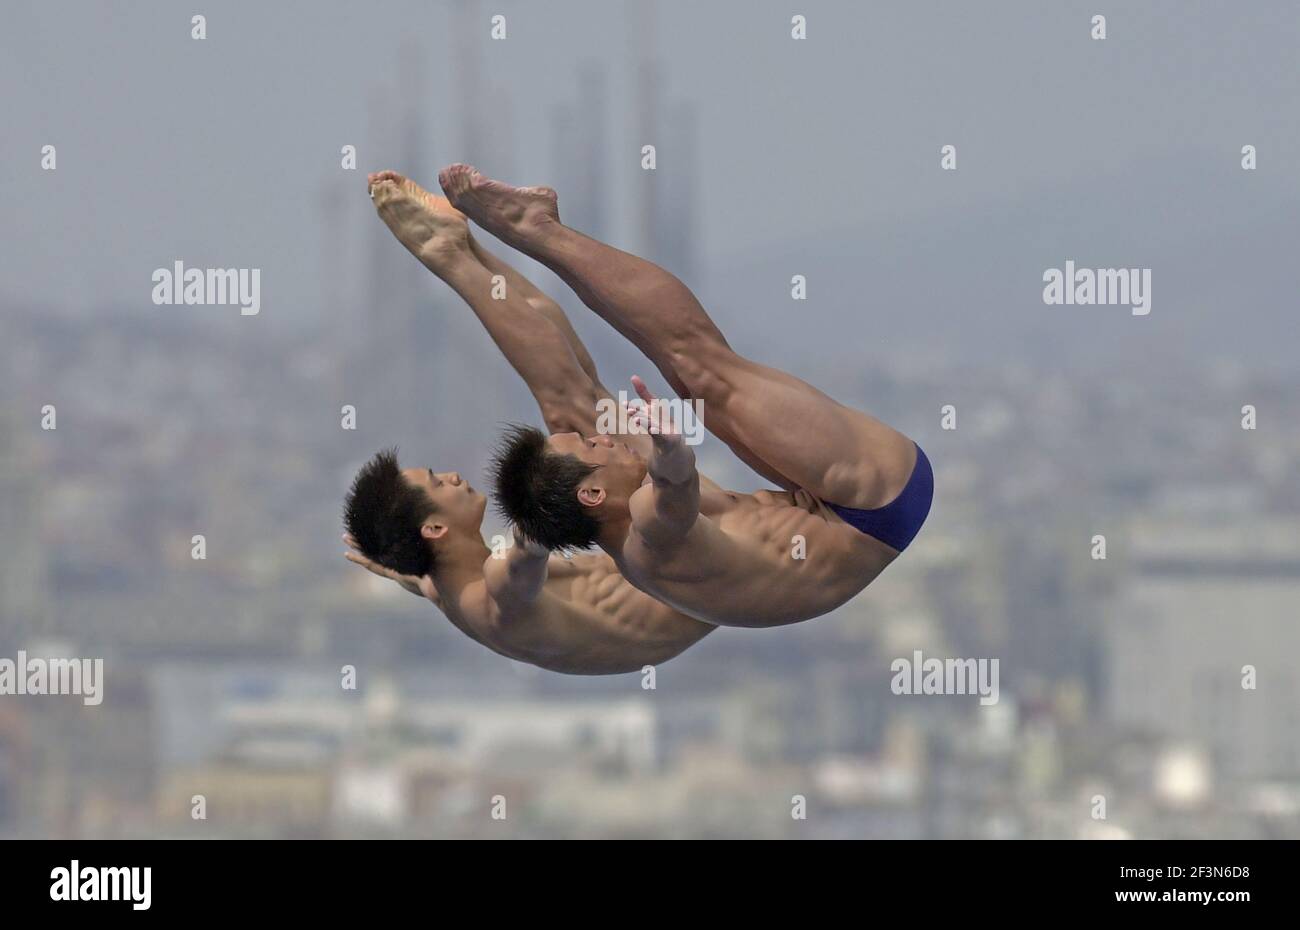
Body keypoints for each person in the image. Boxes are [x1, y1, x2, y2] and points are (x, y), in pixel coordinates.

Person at [437, 164, 933, 628]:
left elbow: (571, 386)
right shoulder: (650, 542)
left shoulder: (623, 529)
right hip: (878, 496)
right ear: (591, 494)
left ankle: (472, 247)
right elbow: (672, 495)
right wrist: (671, 454)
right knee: (705, 372)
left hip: (826, 516)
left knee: (597, 398)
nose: (603, 440)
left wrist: (467, 259)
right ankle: (539, 228)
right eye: (591, 449)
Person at [340, 172, 713, 674]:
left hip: (677, 570)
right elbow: (517, 574)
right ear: (432, 526)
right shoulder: (489, 600)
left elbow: (429, 578)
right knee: (571, 407)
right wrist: (534, 530)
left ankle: (466, 245)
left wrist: (393, 558)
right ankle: (454, 255)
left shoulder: (443, 582)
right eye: (436, 482)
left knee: (578, 391)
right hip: (694, 574)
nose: (450, 475)